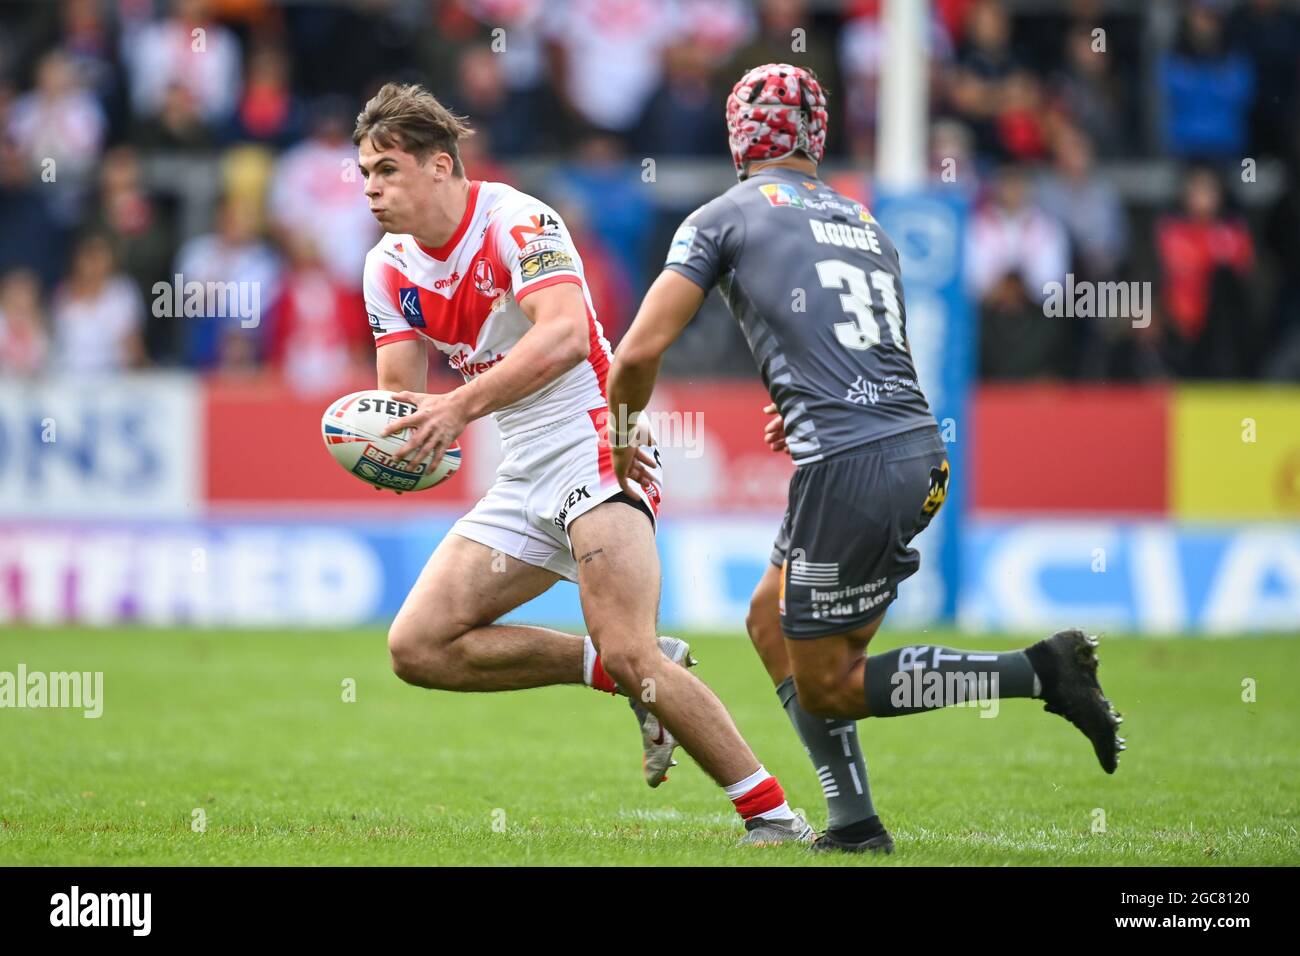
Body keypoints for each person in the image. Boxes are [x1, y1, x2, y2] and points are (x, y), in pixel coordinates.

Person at [607, 63, 1125, 854]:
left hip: (852, 469)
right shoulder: (864, 222)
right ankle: (853, 826)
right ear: (817, 134)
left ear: (738, 135)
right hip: (908, 449)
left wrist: (622, 427)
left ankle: (1039, 672)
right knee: (768, 621)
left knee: (833, 685)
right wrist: (804, 407)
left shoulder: (722, 215)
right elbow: (864, 348)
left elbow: (638, 351)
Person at [353, 82, 811, 844]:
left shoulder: (519, 221)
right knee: (417, 646)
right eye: (364, 172)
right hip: (523, 466)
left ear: (440, 167)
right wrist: (385, 446)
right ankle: (614, 668)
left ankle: (774, 818)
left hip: (600, 440)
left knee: (633, 650)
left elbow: (566, 334)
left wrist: (458, 410)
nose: (370, 188)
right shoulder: (387, 268)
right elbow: (402, 403)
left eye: (387, 170)